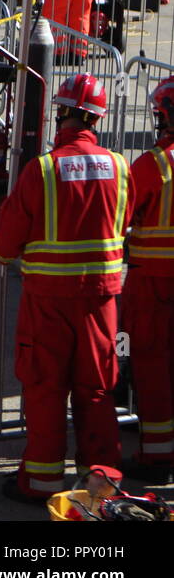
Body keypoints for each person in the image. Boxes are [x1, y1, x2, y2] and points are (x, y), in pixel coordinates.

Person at [0, 74, 133, 503]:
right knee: (97, 389)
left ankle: (42, 483)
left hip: (48, 302)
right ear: (97, 117)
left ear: (64, 114)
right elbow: (122, 225)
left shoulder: (44, 169)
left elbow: (7, 239)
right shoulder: (121, 166)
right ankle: (102, 486)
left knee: (46, 388)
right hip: (101, 300)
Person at [120, 76, 174, 482]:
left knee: (153, 367)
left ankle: (157, 456)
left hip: (154, 284)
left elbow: (122, 217)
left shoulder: (152, 164)